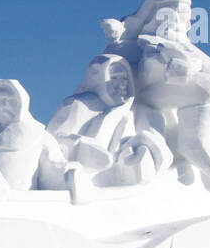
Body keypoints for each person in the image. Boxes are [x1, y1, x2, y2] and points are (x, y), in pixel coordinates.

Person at [104, 0, 210, 183]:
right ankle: (192, 142)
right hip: (146, 95)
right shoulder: (147, 41)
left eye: (185, 13)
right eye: (178, 12)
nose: (183, 19)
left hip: (171, 91)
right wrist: (171, 64)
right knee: (205, 87)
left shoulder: (183, 43)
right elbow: (140, 69)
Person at [48, 54, 171, 187]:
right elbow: (54, 141)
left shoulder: (131, 114)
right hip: (85, 178)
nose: (122, 84)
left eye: (124, 78)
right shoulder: (79, 105)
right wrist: (82, 147)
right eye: (114, 78)